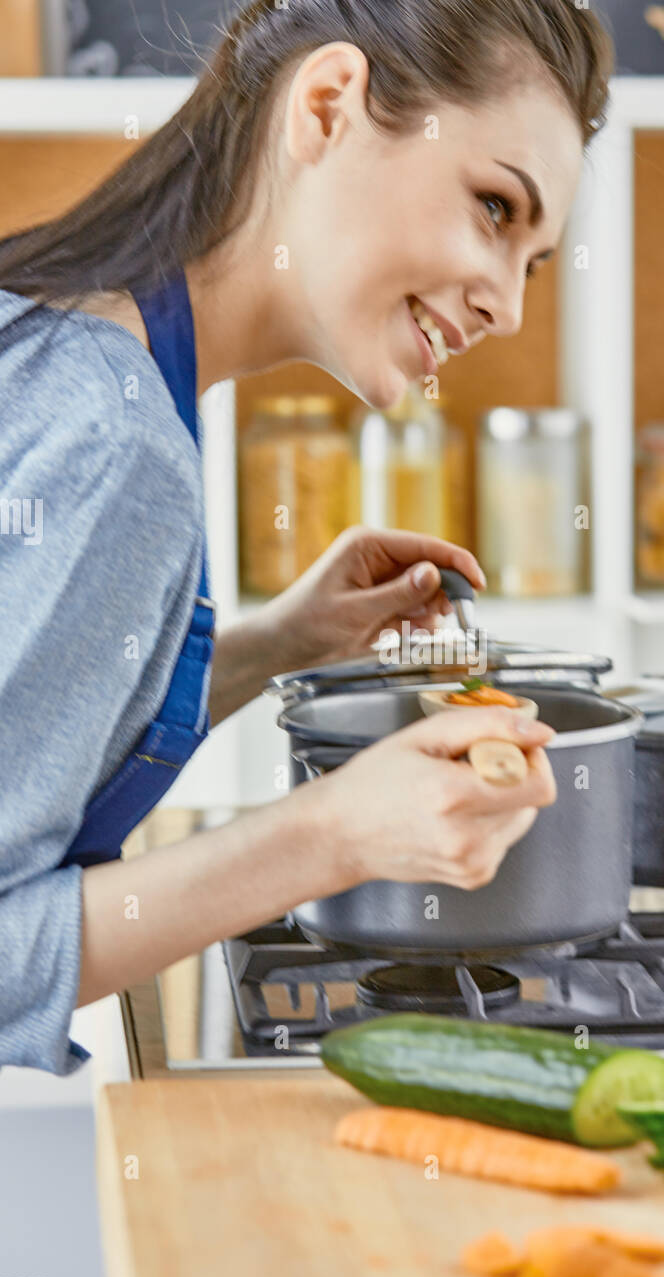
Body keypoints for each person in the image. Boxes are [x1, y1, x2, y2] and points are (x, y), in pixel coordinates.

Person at [0, 0, 613, 1073]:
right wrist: (329, 834)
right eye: (491, 208)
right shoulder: (118, 445)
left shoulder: (67, 334)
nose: (508, 308)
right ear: (327, 105)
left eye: (534, 262)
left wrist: (279, 643)